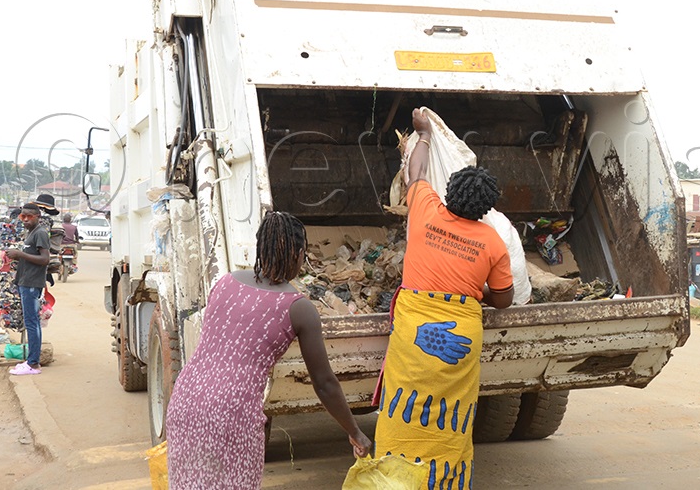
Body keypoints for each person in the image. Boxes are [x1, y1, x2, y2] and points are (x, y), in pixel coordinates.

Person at [165, 211, 372, 490]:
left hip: (186, 399)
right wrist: (355, 432)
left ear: (261, 247)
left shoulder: (225, 282)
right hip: (232, 410)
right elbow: (324, 384)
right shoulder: (299, 308)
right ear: (298, 254)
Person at [373, 108, 514, 489]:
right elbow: (503, 299)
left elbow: (414, 173)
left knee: (404, 408)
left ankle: (394, 479)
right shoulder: (493, 243)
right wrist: (473, 288)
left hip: (414, 329)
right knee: (450, 417)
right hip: (462, 336)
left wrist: (424, 135)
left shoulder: (424, 208)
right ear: (485, 208)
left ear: (449, 192)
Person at [4, 202, 51, 376]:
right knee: (32, 322)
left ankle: (32, 363)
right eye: (22, 216)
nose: (24, 219)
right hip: (26, 281)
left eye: (28, 216)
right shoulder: (31, 232)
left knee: (31, 323)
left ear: (37, 217)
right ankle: (32, 361)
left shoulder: (40, 233)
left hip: (31, 283)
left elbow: (45, 259)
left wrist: (20, 254)